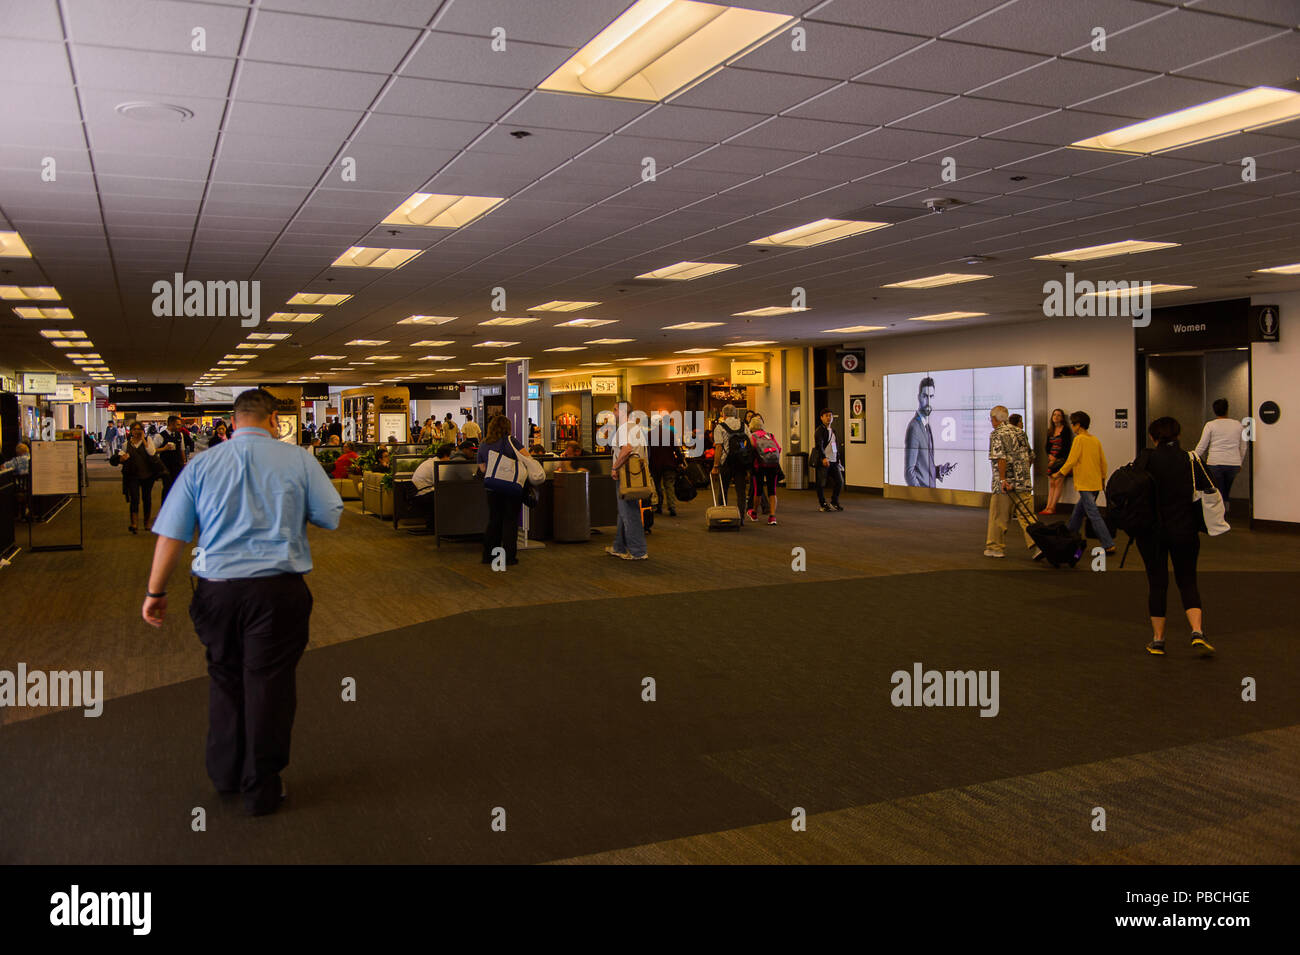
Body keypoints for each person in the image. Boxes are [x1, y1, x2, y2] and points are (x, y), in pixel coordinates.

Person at [142, 388, 343, 816]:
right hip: (277, 592)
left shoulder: (201, 464)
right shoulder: (300, 461)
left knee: (225, 677)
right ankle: (262, 788)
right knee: (269, 684)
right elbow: (331, 515)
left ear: (233, 423)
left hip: (217, 591)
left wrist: (155, 592)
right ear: (274, 421)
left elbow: (172, 534)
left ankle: (225, 774)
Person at [1132, 417, 1216, 657]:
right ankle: (1197, 631)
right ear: (1178, 435)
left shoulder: (1145, 459)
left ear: (1153, 437)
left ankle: (1158, 640)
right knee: (1188, 581)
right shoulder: (1190, 460)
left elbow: (1134, 489)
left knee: (1157, 584)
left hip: (1152, 532)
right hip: (1185, 530)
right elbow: (1209, 487)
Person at [1056, 410, 1115, 555]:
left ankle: (1108, 544)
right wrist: (1102, 479)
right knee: (1078, 511)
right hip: (1095, 483)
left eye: (1073, 424)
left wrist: (1060, 473)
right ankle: (1069, 535)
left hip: (1085, 483)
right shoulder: (1095, 440)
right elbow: (1103, 462)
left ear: (1078, 425)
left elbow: (1072, 460)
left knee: (1093, 514)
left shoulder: (1079, 440)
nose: (1072, 427)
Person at [984, 405, 1037, 559]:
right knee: (1028, 516)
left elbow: (1001, 458)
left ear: (994, 419)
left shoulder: (996, 434)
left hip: (1005, 485)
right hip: (1024, 482)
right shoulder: (1020, 432)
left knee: (998, 516)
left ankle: (995, 547)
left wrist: (1002, 479)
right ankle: (1038, 544)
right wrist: (1023, 475)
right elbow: (1031, 456)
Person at [476, 414, 527, 566]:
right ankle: (509, 557)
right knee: (510, 522)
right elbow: (527, 458)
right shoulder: (512, 442)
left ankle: (489, 556)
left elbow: (482, 468)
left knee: (494, 521)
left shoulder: (484, 444)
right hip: (511, 487)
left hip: (492, 488)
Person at [608, 401, 648, 560]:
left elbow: (627, 449)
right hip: (635, 474)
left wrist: (615, 467)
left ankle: (638, 551)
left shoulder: (624, 429)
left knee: (629, 513)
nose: (613, 412)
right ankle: (619, 547)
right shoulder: (636, 428)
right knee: (625, 511)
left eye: (616, 409)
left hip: (626, 475)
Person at [109, 421, 164, 534]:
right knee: (134, 499)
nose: (137, 431)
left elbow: (152, 452)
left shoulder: (148, 440)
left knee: (146, 498)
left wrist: (144, 439)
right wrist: (122, 458)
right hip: (133, 475)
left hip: (148, 475)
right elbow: (121, 456)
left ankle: (146, 523)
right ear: (131, 431)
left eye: (139, 429)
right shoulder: (126, 444)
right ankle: (134, 523)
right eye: (134, 429)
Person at [1195, 398, 1247, 514]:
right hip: (1233, 463)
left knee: (1217, 490)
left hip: (1215, 462)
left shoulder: (1210, 425)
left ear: (1214, 411)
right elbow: (1243, 447)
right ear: (1227, 410)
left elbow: (1202, 446)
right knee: (1226, 490)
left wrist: (1193, 458)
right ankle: (1225, 512)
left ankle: (1219, 515)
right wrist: (1240, 462)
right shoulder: (1238, 425)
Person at [712, 403, 752, 524]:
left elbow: (718, 447)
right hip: (741, 462)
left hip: (726, 462)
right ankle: (741, 518)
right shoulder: (743, 425)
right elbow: (750, 443)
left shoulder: (720, 427)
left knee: (723, 490)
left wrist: (715, 466)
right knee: (741, 491)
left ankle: (723, 515)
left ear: (723, 414)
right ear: (735, 414)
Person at [746, 413, 783, 526]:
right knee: (772, 491)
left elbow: (749, 452)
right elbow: (779, 449)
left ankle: (754, 513)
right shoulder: (770, 435)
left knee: (758, 491)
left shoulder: (752, 437)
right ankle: (772, 517)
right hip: (773, 466)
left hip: (759, 467)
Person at [648, 416, 684, 518]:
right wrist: (680, 461)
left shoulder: (649, 435)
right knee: (669, 486)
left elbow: (648, 451)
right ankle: (672, 507)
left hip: (655, 464)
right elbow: (676, 449)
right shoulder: (670, 433)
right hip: (669, 463)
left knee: (657, 486)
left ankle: (659, 506)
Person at [904, 377, 937, 488]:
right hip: (924, 496)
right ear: (919, 397)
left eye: (931, 397)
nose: (928, 401)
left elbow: (923, 466)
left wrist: (938, 470)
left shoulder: (926, 426)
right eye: (925, 396)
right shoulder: (915, 427)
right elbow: (909, 471)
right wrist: (920, 493)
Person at [811, 408, 844, 512]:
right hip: (824, 461)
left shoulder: (833, 431)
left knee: (839, 481)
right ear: (821, 418)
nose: (829, 417)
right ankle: (823, 504)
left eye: (830, 415)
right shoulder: (819, 431)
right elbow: (819, 445)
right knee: (821, 483)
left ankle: (834, 502)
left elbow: (835, 445)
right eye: (826, 415)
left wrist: (838, 459)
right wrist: (824, 458)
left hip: (834, 461)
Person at [1041, 408, 1072, 515]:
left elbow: (1066, 447)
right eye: (1054, 415)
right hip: (1051, 459)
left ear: (1062, 418)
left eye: (1059, 415)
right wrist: (1050, 457)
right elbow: (1047, 446)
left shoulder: (1066, 430)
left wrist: (1055, 458)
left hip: (1061, 460)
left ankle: (1052, 507)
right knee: (1051, 483)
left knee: (1058, 482)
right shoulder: (1050, 430)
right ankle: (1047, 506)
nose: (1056, 417)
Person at [155, 414, 192, 504]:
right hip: (165, 466)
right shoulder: (160, 436)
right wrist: (164, 449)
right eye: (178, 424)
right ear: (171, 424)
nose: (180, 426)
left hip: (177, 465)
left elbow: (182, 449)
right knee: (167, 487)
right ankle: (165, 507)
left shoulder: (180, 435)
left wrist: (184, 463)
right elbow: (153, 450)